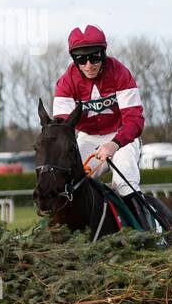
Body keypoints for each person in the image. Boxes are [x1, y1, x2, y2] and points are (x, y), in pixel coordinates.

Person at [51, 24, 150, 228]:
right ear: (74, 60)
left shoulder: (121, 73)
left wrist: (115, 144)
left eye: (94, 57)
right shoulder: (65, 83)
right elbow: (62, 129)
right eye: (81, 59)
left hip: (122, 136)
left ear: (103, 54)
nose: (88, 65)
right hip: (87, 138)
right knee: (68, 184)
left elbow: (135, 120)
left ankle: (146, 236)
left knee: (124, 183)